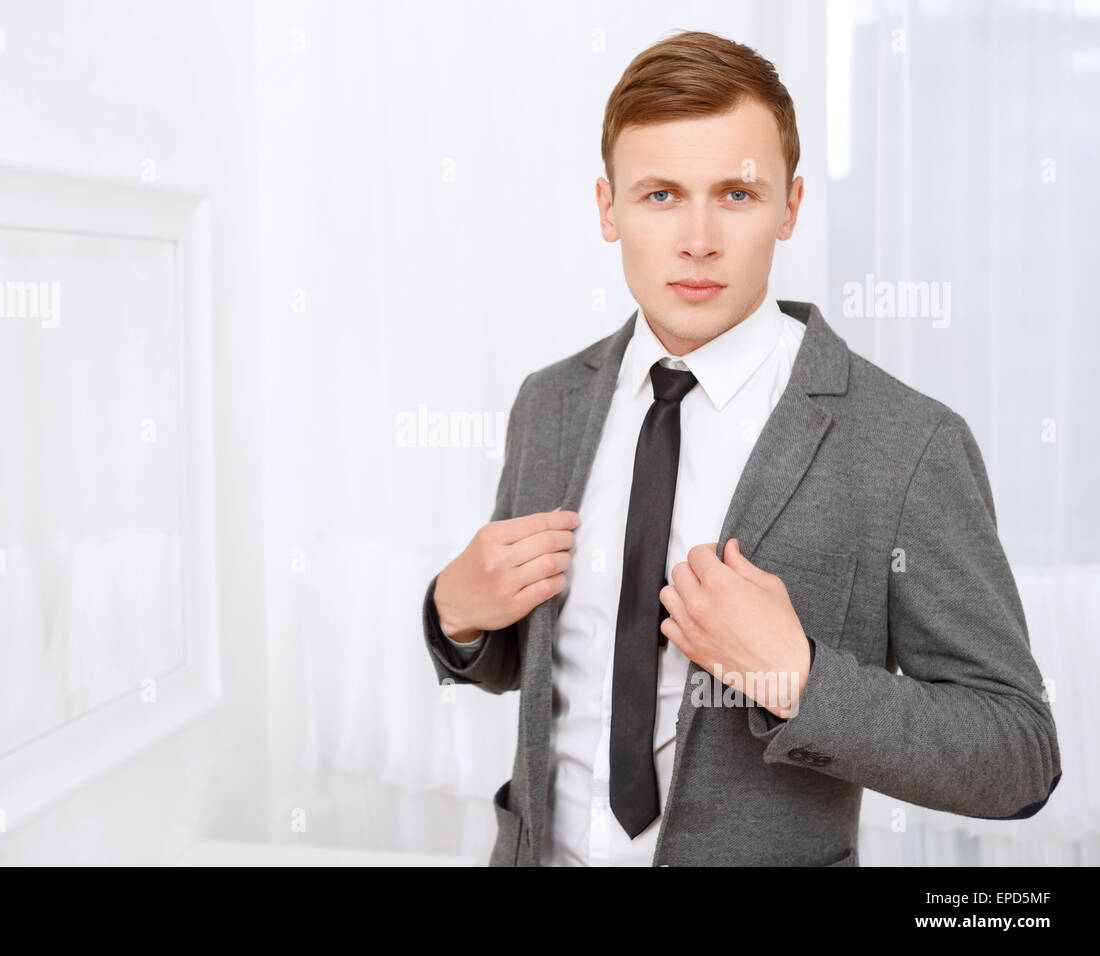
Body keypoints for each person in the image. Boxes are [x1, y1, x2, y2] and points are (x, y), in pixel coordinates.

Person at [421, 30, 1061, 867]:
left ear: (790, 206)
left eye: (735, 194)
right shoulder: (549, 403)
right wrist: (454, 615)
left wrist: (796, 677)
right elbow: (540, 665)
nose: (697, 239)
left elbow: (1016, 756)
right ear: (607, 208)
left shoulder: (908, 442)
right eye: (659, 196)